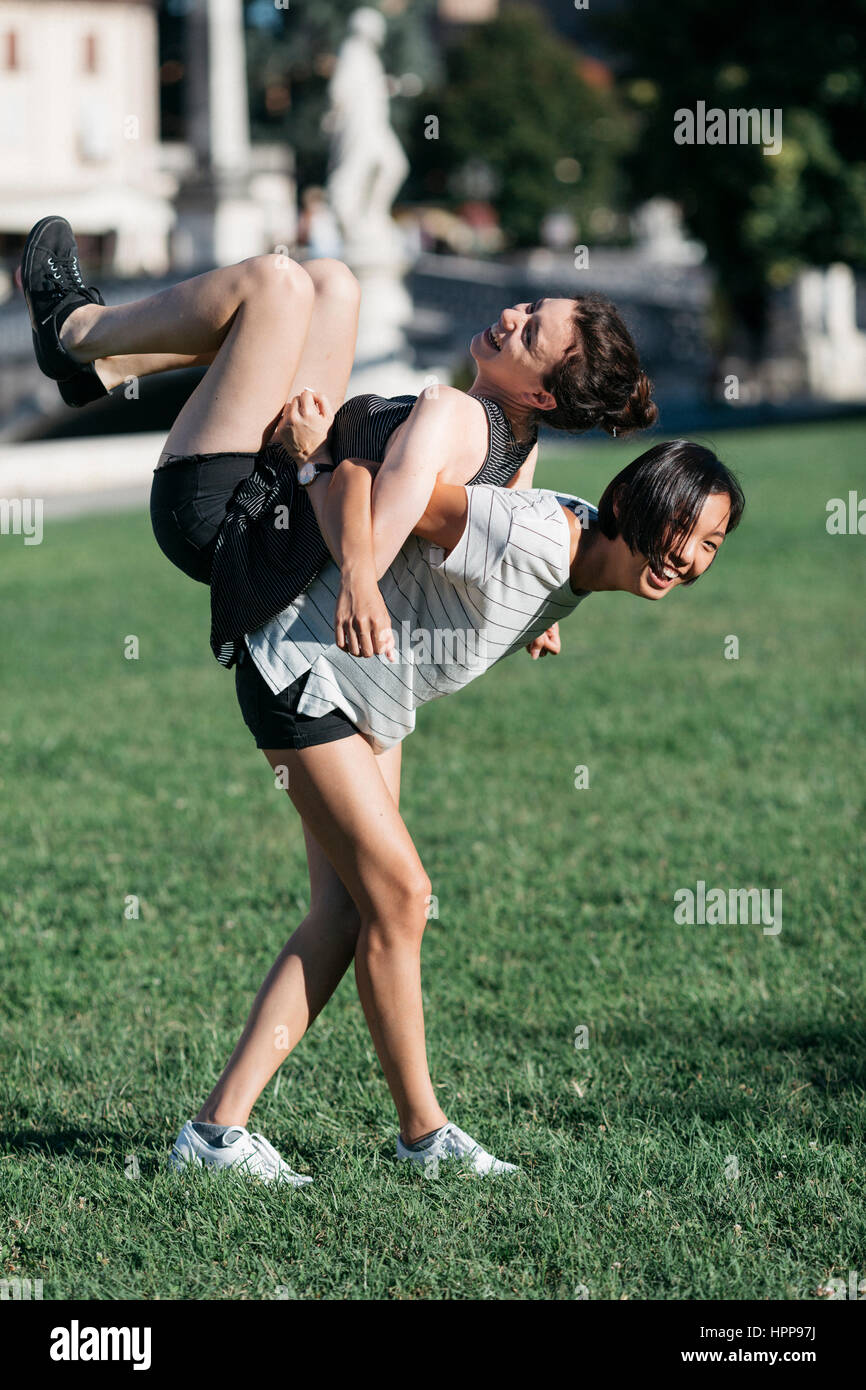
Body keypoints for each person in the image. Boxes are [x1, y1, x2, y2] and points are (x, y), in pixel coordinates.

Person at [20, 215, 659, 674]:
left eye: (527, 336)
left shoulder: (452, 415)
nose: (512, 317)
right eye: (533, 305)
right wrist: (539, 614)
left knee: (278, 284)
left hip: (229, 518)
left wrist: (311, 461)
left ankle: (76, 330)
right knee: (330, 282)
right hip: (272, 500)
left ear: (542, 396)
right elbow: (505, 541)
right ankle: (105, 369)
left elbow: (368, 545)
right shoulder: (520, 448)